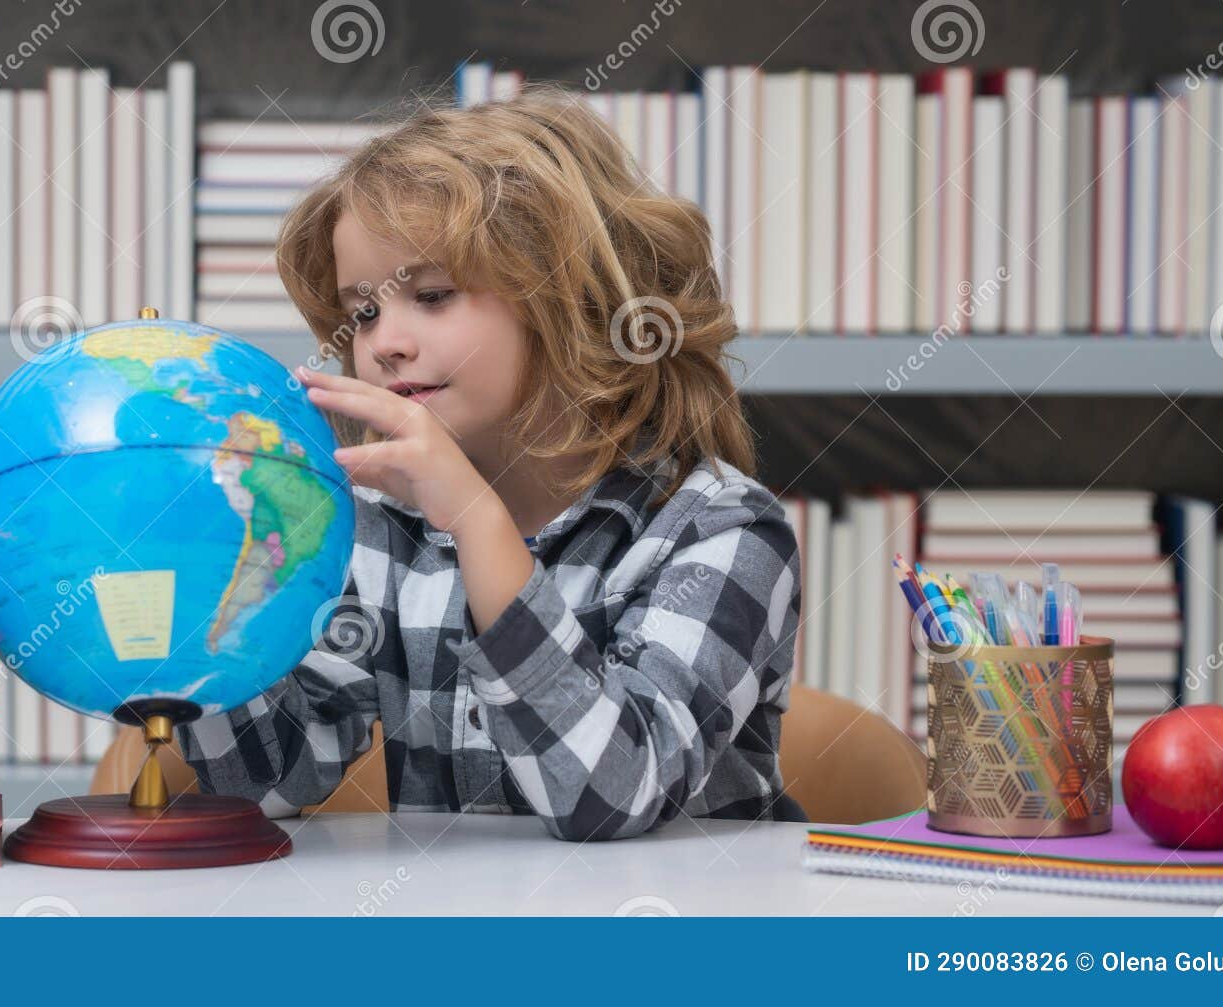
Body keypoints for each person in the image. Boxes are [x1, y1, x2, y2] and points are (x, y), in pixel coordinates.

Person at [177, 87, 804, 841]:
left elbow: (612, 794)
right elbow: (270, 779)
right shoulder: (380, 528)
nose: (384, 343)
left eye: (432, 295)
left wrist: (477, 521)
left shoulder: (722, 531)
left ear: (571, 300)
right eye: (364, 311)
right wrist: (208, 598)